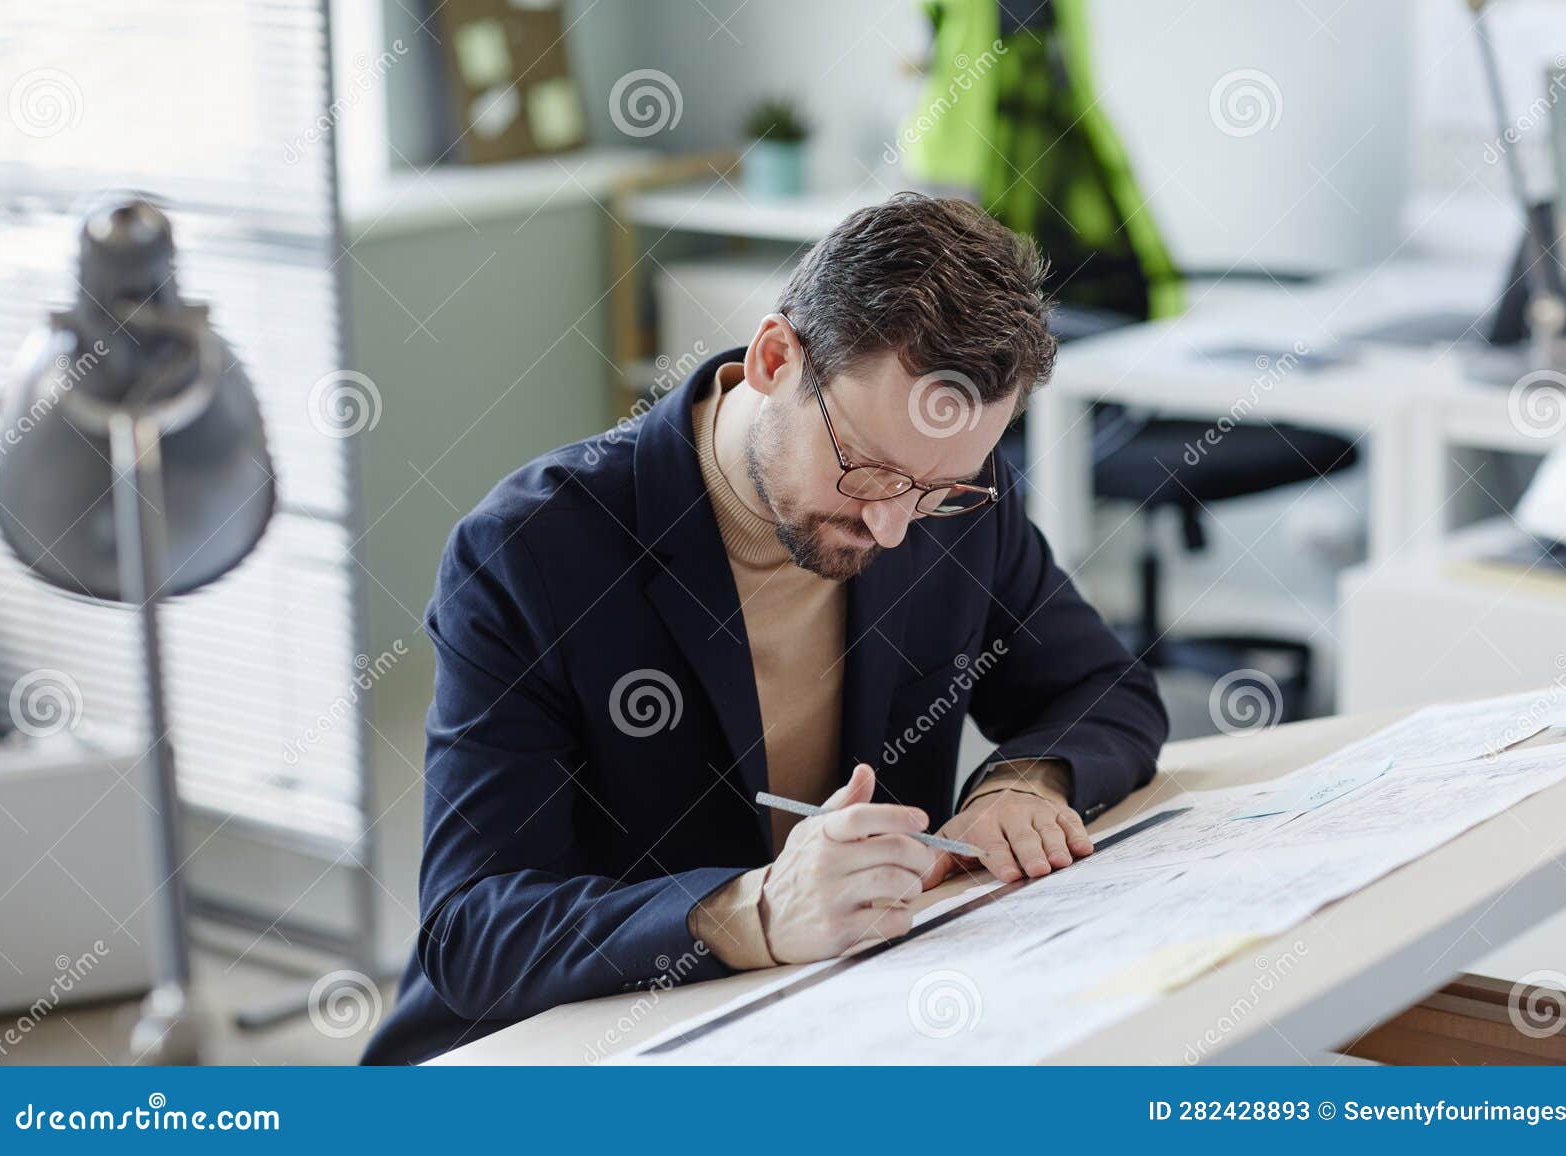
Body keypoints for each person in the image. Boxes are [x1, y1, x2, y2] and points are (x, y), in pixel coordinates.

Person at [363, 193, 1168, 1064]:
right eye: (866, 471)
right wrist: (755, 914)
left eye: (938, 492)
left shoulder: (951, 496)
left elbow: (1106, 689)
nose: (895, 528)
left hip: (833, 1021)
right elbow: (474, 930)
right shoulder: (531, 550)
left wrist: (1026, 782)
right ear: (775, 358)